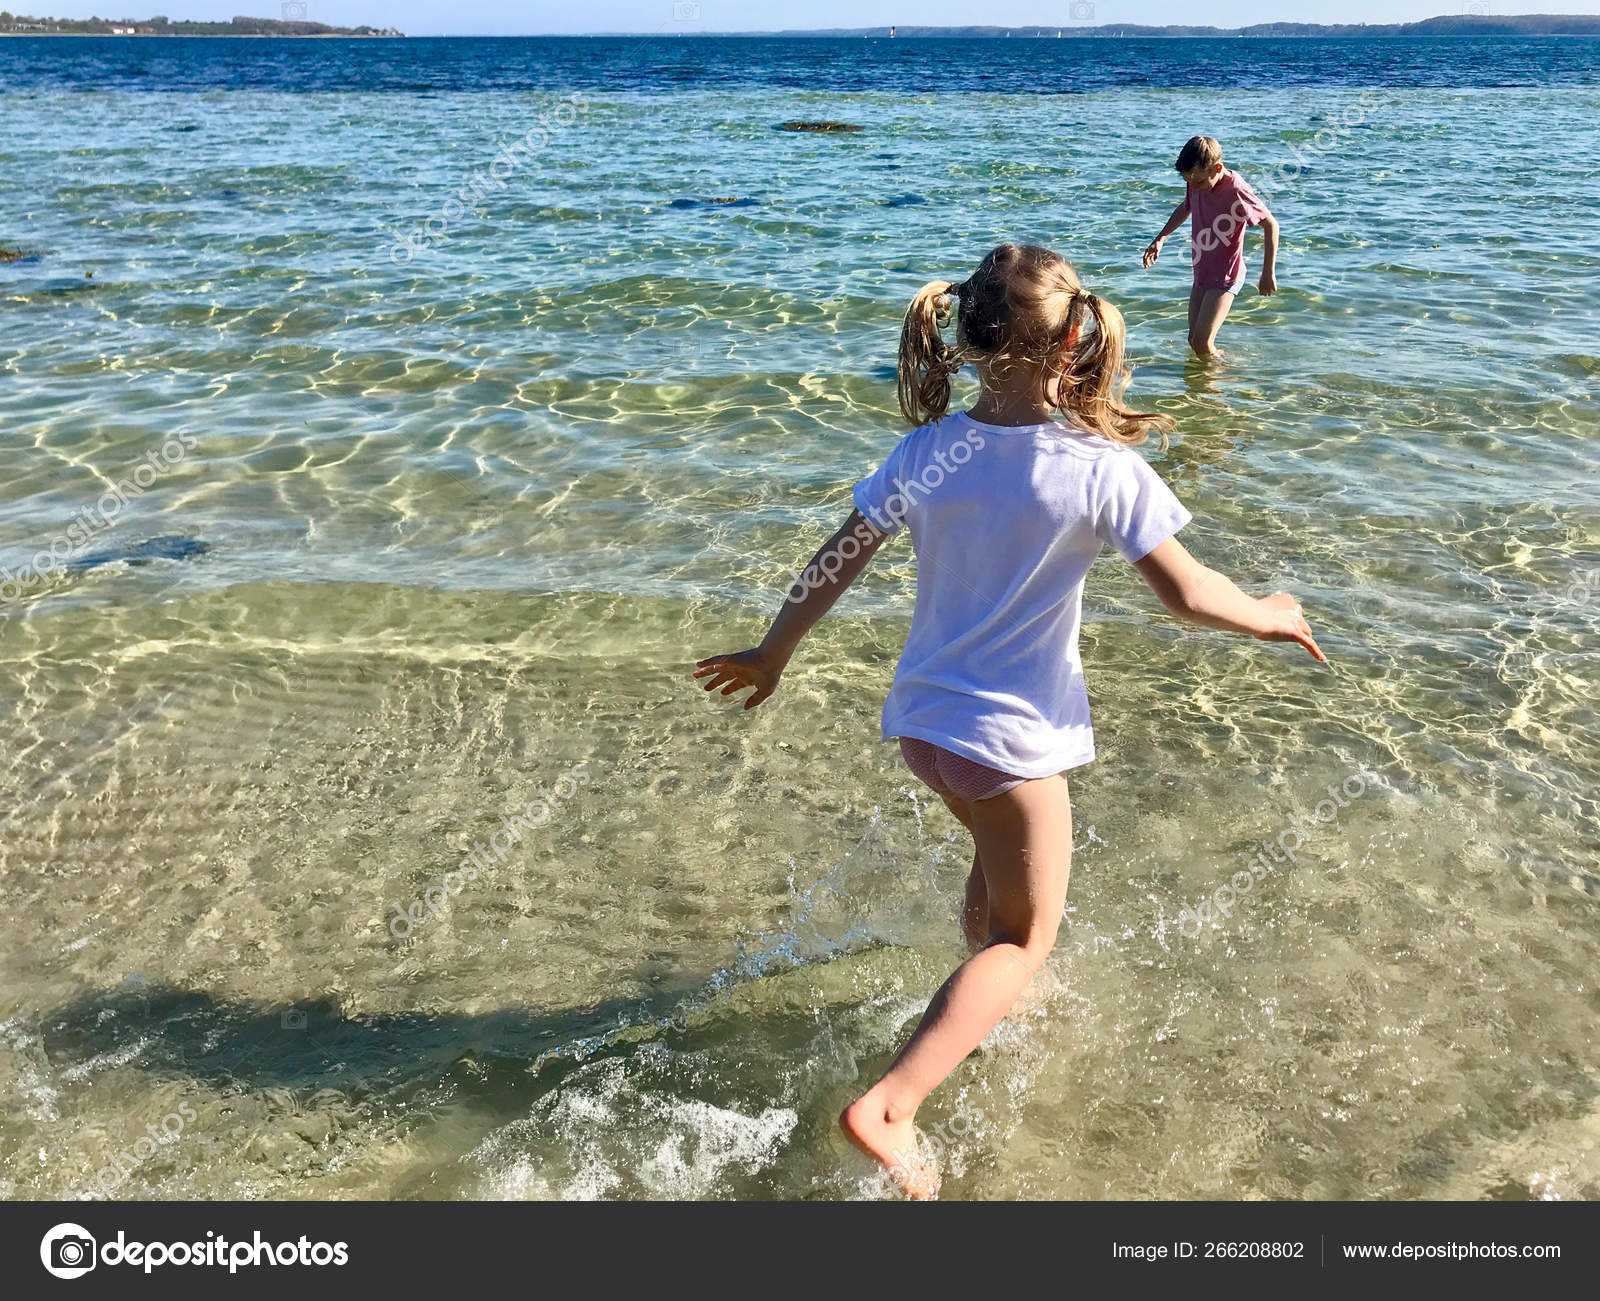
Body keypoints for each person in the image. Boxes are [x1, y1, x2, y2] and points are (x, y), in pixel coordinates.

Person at [694, 244, 1323, 1198]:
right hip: (1010, 747)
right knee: (1025, 943)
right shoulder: (1099, 466)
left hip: (926, 731)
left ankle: (980, 1011)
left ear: (970, 336)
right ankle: (892, 1105)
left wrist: (772, 651)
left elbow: (838, 557)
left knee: (995, 891)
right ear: (1077, 341)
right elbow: (1189, 596)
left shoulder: (929, 451)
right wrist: (1272, 613)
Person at [1142, 135, 1279, 357]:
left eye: (1199, 183)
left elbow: (1271, 225)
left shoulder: (1236, 189)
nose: (1194, 187)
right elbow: (1186, 207)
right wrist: (1161, 238)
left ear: (1217, 168)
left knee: (1203, 343)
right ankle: (1215, 377)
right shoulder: (1196, 182)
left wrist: (1267, 273)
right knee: (1193, 340)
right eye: (1189, 182)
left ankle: (1221, 384)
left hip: (1226, 275)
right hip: (1202, 272)